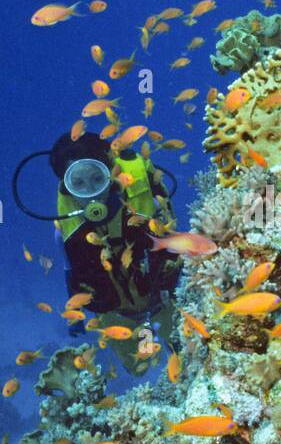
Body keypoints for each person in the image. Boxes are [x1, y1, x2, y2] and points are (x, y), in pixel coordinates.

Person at [13, 131, 181, 369]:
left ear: (109, 172)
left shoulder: (144, 202)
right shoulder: (65, 230)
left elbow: (174, 238)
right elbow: (70, 267)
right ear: (67, 187)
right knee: (138, 369)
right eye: (78, 184)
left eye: (97, 178)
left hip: (164, 300)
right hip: (118, 317)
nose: (91, 192)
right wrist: (76, 311)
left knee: (182, 355)